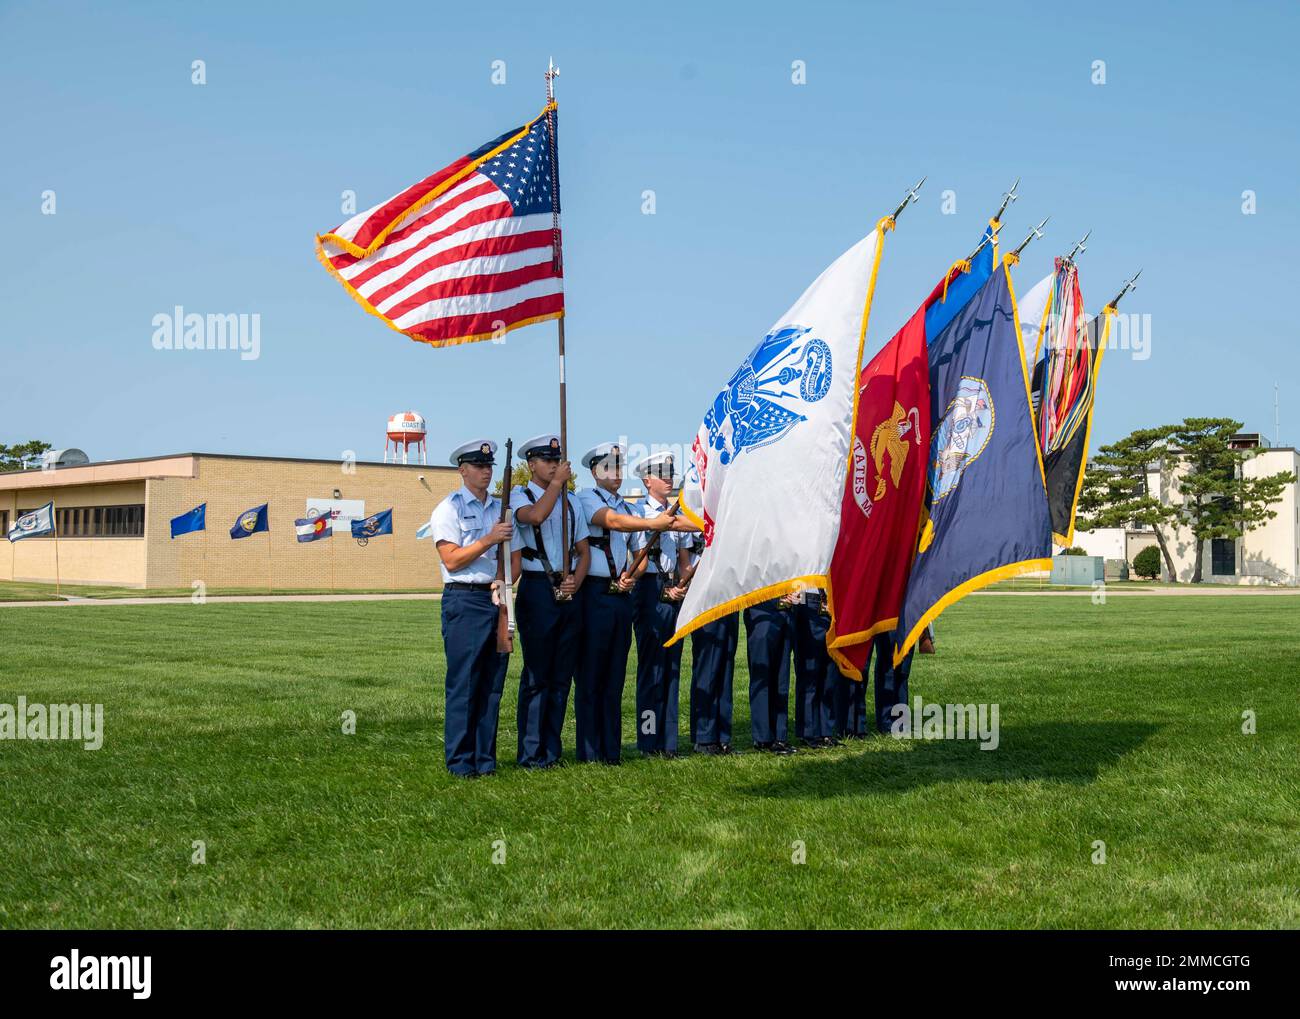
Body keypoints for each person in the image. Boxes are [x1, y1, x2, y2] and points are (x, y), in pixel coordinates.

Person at [573, 442, 676, 764]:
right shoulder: (587, 498)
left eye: (619, 467)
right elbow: (612, 522)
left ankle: (611, 749)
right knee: (591, 673)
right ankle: (590, 750)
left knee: (615, 674)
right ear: (594, 472)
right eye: (609, 467)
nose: (615, 473)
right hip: (592, 592)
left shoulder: (629, 509)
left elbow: (639, 555)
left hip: (620, 593)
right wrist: (652, 523)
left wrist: (632, 574)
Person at [429, 439, 517, 778]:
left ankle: (485, 760)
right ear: (462, 470)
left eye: (489, 466)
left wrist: (501, 581)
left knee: (492, 684)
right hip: (463, 599)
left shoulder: (500, 508)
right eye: (478, 466)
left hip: (495, 596)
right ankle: (460, 762)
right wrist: (488, 539)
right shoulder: (448, 509)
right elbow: (451, 560)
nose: (485, 471)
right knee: (465, 682)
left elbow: (514, 557)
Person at [510, 434, 590, 768]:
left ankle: (551, 751)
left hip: (567, 589)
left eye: (557, 460)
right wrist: (557, 485)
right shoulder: (520, 494)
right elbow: (534, 518)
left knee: (561, 676)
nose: (554, 465)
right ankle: (530, 753)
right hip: (536, 589)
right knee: (537, 675)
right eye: (547, 460)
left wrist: (576, 581)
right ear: (531, 465)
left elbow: (584, 551)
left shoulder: (571, 502)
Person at [629, 451, 691, 758]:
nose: (668, 478)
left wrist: (681, 585)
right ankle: (648, 737)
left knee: (672, 666)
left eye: (670, 472)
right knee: (651, 667)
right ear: (646, 479)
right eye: (662, 473)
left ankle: (668, 740)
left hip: (671, 588)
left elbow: (682, 560)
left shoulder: (674, 509)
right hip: (648, 587)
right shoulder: (641, 511)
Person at [683, 529, 740, 756]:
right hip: (705, 595)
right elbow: (685, 559)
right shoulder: (696, 514)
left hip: (727, 594)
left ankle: (722, 736)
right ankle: (704, 736)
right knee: (708, 664)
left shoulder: (727, 516)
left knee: (726, 663)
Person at [744, 596, 797, 754]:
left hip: (786, 611)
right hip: (762, 609)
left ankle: (780, 735)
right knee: (762, 675)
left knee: (782, 676)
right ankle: (763, 737)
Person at [791, 587, 843, 749]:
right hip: (807, 600)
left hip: (831, 600)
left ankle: (825, 731)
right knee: (809, 670)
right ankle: (808, 731)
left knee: (829, 673)